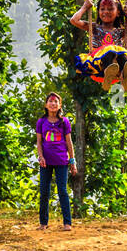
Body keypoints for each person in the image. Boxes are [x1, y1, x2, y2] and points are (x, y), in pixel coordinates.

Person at [71, 0, 127, 93]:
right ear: (98, 11)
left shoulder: (121, 31)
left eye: (110, 9)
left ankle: (125, 75)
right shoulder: (94, 27)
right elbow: (74, 20)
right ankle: (108, 72)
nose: (106, 12)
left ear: (118, 13)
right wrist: (84, 7)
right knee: (110, 49)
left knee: (121, 52)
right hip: (99, 64)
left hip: (117, 64)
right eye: (102, 9)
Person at [36, 92, 77, 231]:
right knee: (44, 191)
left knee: (62, 191)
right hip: (45, 162)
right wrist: (40, 157)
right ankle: (43, 223)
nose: (53, 104)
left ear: (60, 105)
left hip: (61, 161)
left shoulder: (64, 121)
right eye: (50, 101)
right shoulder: (41, 122)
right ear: (46, 105)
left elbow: (69, 142)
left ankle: (67, 223)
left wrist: (72, 161)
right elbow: (39, 142)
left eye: (56, 102)